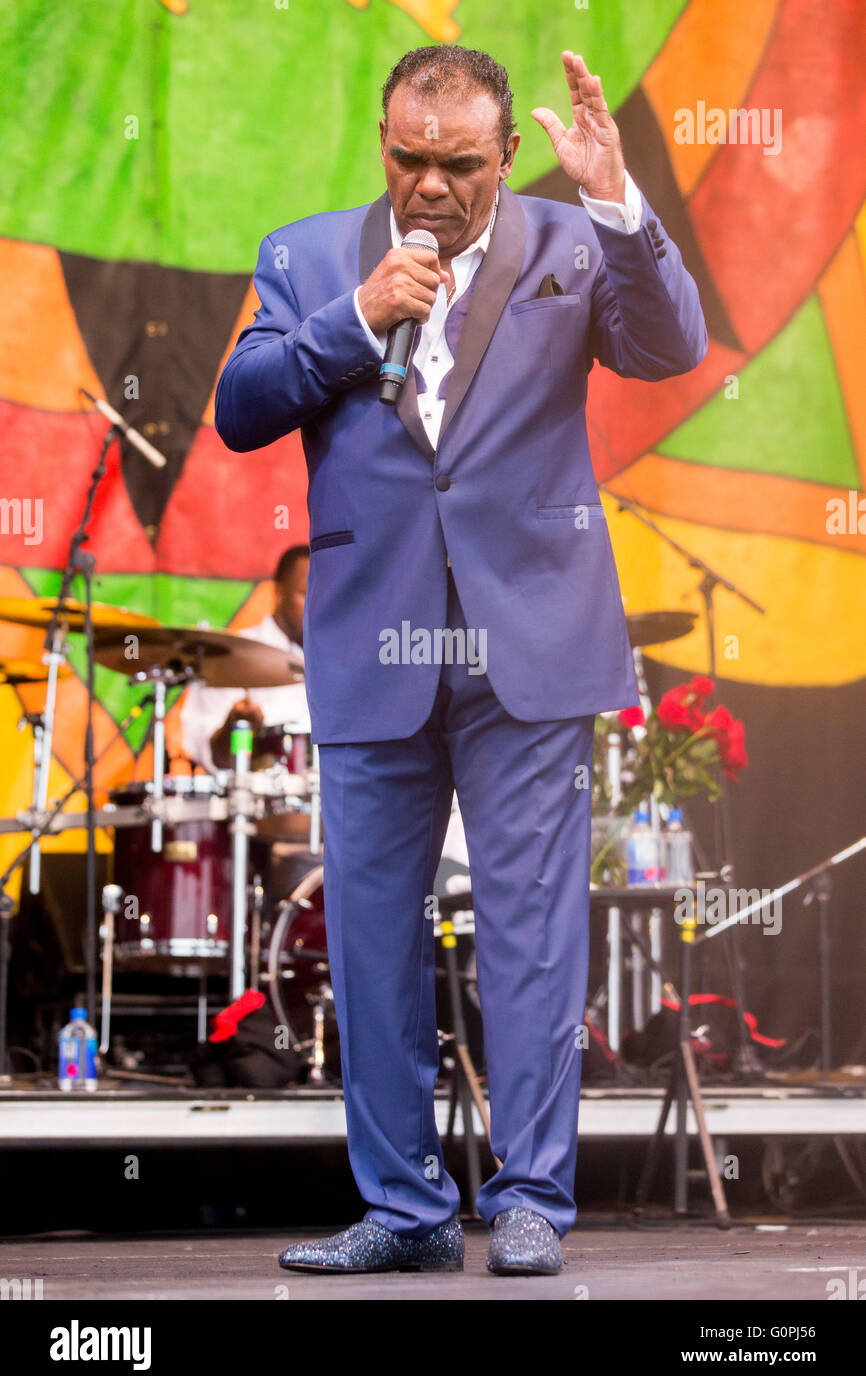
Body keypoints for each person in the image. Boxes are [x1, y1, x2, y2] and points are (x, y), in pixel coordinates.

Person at [216, 45, 707, 1276]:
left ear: (507, 156)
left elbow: (670, 346)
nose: (428, 185)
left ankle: (531, 1193)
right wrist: (355, 317)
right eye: (407, 157)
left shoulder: (572, 241)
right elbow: (240, 407)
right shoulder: (305, 254)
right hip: (372, 640)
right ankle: (404, 1204)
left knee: (530, 933)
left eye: (460, 165)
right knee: (373, 937)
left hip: (528, 642)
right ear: (383, 137)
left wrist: (619, 203)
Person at [180, 545, 309, 775]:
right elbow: (212, 757)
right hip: (254, 802)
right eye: (305, 594)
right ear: (278, 592)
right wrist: (235, 726)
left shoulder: (338, 661)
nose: (315, 606)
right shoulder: (231, 654)